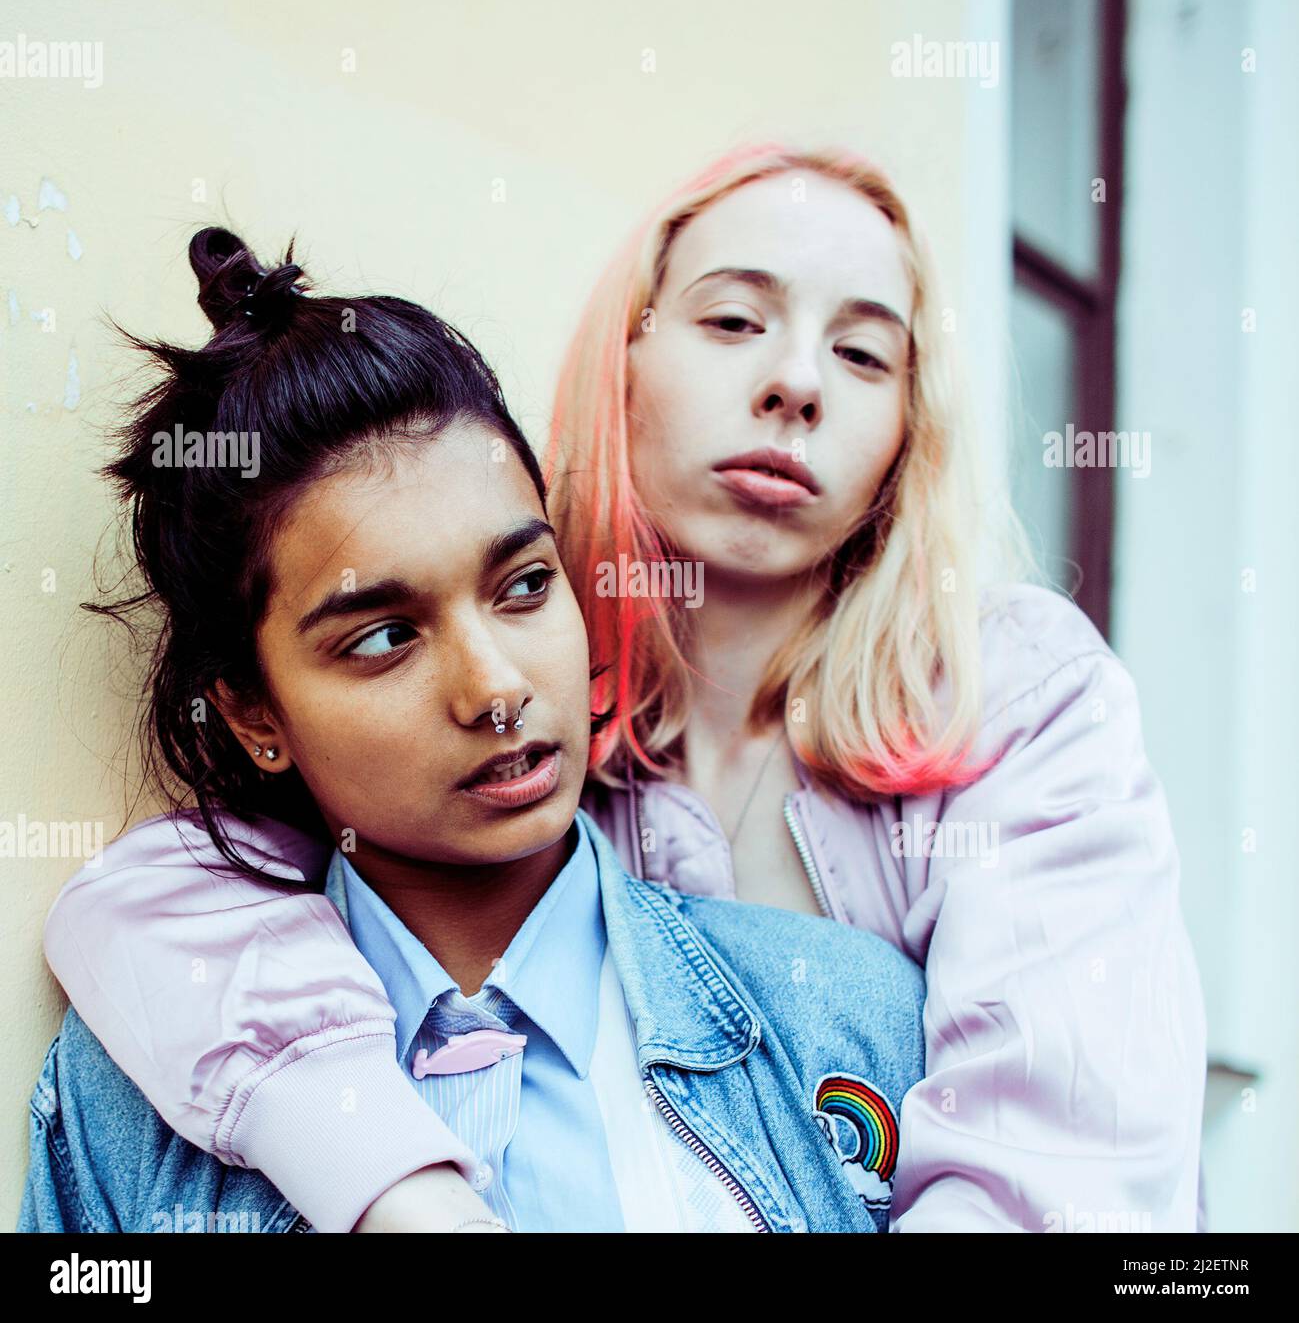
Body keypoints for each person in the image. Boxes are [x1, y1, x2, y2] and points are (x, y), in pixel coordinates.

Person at [43, 143, 1208, 1233]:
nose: (797, 382)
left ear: (913, 420)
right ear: (625, 360)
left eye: (864, 351)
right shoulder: (541, 715)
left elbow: (1066, 1169)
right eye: (735, 318)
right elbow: (155, 903)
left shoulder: (1008, 691)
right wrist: (396, 1184)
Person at [19, 227, 925, 1235]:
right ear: (253, 713)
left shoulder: (843, 1017)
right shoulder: (131, 1097)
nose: (494, 687)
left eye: (525, 585)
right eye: (384, 638)